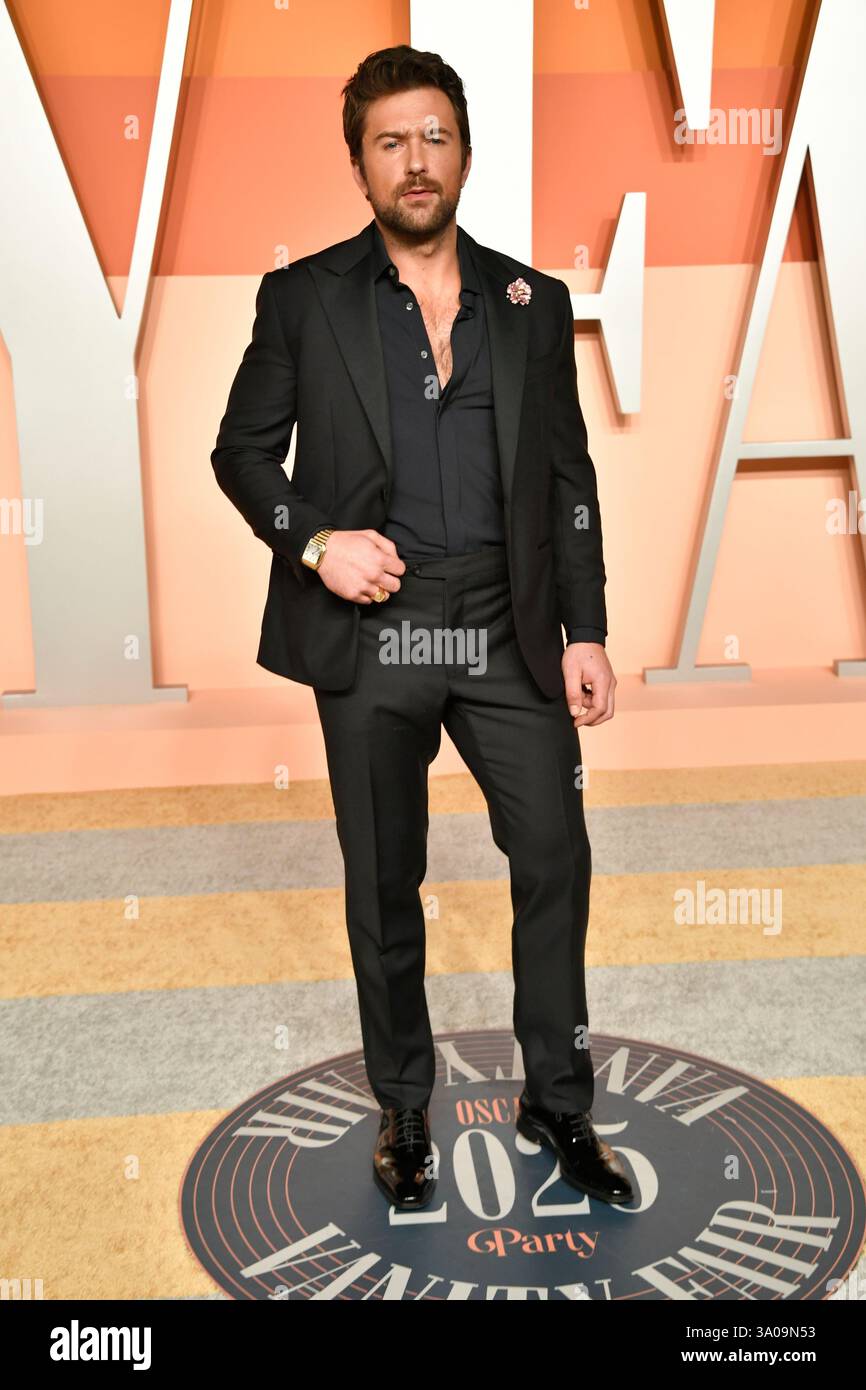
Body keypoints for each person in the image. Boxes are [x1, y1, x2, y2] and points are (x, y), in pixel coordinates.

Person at [211, 44, 632, 1211]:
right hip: (376, 627)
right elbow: (240, 454)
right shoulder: (303, 299)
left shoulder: (529, 304)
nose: (414, 160)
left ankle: (557, 1098)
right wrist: (313, 542)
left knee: (554, 856)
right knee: (382, 879)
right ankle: (403, 1103)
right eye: (390, 140)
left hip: (505, 628)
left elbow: (567, 475)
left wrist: (583, 627)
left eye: (432, 135)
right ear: (358, 165)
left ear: (462, 150)